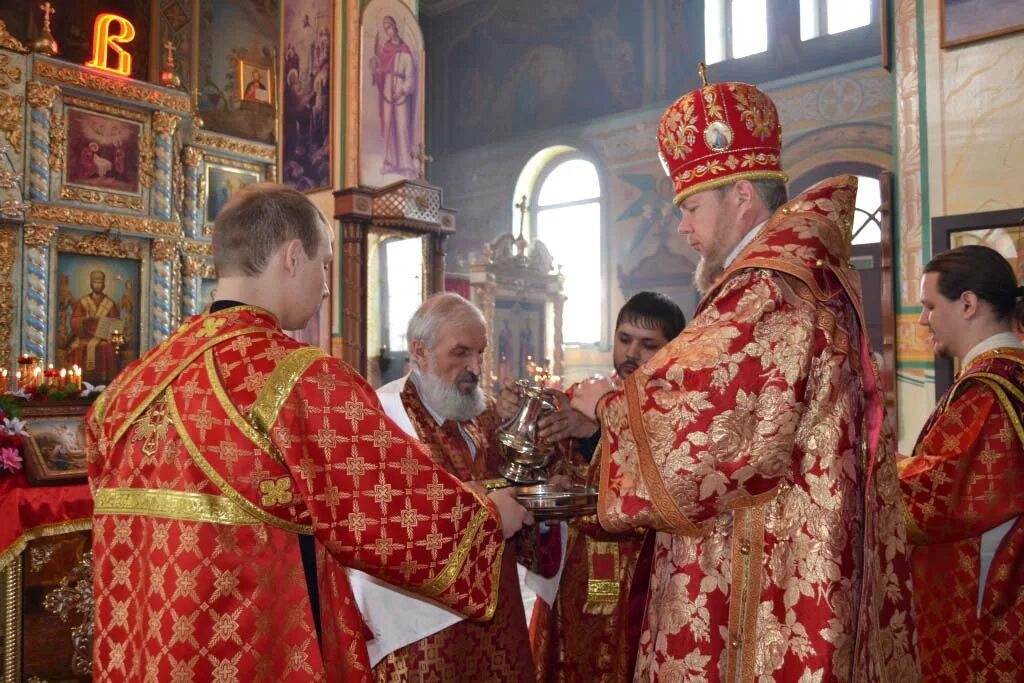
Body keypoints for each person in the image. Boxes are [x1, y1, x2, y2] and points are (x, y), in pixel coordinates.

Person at [85, 184, 532, 681]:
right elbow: (387, 508)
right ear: (292, 257)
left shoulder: (128, 388)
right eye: (324, 266)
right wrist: (489, 517)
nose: (325, 287)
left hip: (146, 654)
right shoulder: (297, 378)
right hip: (252, 648)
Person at [570, 68, 919, 680]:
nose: (683, 226)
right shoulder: (804, 275)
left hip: (760, 583)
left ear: (741, 197)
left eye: (693, 207)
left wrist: (607, 406)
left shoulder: (766, 291)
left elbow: (707, 432)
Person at [501, 291, 686, 682]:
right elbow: (548, 463)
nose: (632, 352)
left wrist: (598, 430)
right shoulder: (583, 395)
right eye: (624, 339)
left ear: (673, 348)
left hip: (643, 570)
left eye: (648, 344)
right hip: (580, 566)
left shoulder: (675, 410)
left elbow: (659, 487)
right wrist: (533, 428)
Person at [361, 292, 536, 682]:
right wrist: (490, 507)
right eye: (460, 353)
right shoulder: (383, 418)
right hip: (422, 629)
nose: (474, 367)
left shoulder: (481, 415)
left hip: (495, 613)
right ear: (419, 352)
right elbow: (386, 523)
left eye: (480, 352)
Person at [899, 245, 1024, 682]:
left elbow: (941, 496)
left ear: (968, 304)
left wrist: (870, 463)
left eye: (930, 305)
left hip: (988, 588)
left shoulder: (989, 387)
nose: (922, 320)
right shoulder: (1014, 369)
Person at [371, 15, 417, 177]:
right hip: (388, 89)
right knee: (389, 124)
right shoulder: (385, 48)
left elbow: (411, 76)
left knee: (402, 126)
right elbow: (382, 71)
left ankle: (406, 164)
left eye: (389, 27)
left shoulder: (405, 50)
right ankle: (390, 161)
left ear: (395, 27)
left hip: (400, 89)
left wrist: (403, 89)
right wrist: (376, 70)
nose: (388, 31)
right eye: (385, 29)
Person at [68, 270, 121, 385]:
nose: (97, 285)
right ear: (91, 284)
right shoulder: (83, 302)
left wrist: (111, 331)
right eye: (95, 282)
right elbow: (74, 320)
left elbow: (116, 321)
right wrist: (84, 320)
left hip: (103, 338)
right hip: (85, 336)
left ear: (104, 284)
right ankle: (80, 382)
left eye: (100, 283)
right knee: (80, 347)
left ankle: (107, 382)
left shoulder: (109, 303)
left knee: (107, 348)